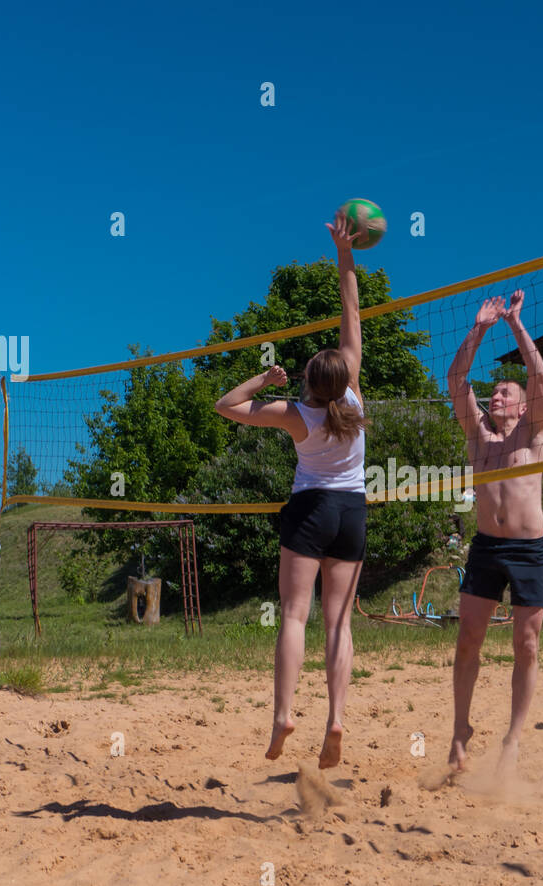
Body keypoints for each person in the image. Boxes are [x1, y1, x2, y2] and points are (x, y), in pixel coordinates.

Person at [214, 210, 365, 769]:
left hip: (310, 511)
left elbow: (224, 406)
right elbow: (351, 306)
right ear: (345, 380)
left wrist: (264, 379)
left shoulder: (294, 414)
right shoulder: (354, 400)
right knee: (339, 622)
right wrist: (345, 256)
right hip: (352, 511)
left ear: (306, 383)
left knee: (294, 616)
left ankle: (283, 716)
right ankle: (337, 718)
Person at [445, 290, 543, 777]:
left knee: (526, 646)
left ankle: (512, 738)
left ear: (524, 406)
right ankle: (459, 732)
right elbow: (456, 378)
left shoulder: (532, 436)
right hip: (487, 547)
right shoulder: (478, 437)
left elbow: (539, 375)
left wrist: (515, 324)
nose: (497, 395)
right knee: (468, 641)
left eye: (506, 392)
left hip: (529, 550)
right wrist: (480, 327)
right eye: (495, 393)